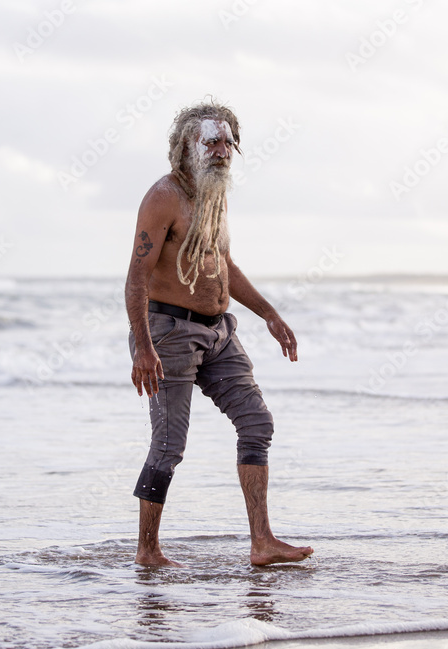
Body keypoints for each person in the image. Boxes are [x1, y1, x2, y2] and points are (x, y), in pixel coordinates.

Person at [124, 99, 314, 567]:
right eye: (212, 141)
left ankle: (262, 542)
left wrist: (268, 313)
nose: (222, 150)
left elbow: (223, 263)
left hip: (219, 332)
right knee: (169, 446)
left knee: (257, 423)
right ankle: (148, 551)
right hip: (168, 332)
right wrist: (143, 347)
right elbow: (137, 277)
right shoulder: (163, 196)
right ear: (187, 147)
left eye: (228, 142)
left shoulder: (215, 196)